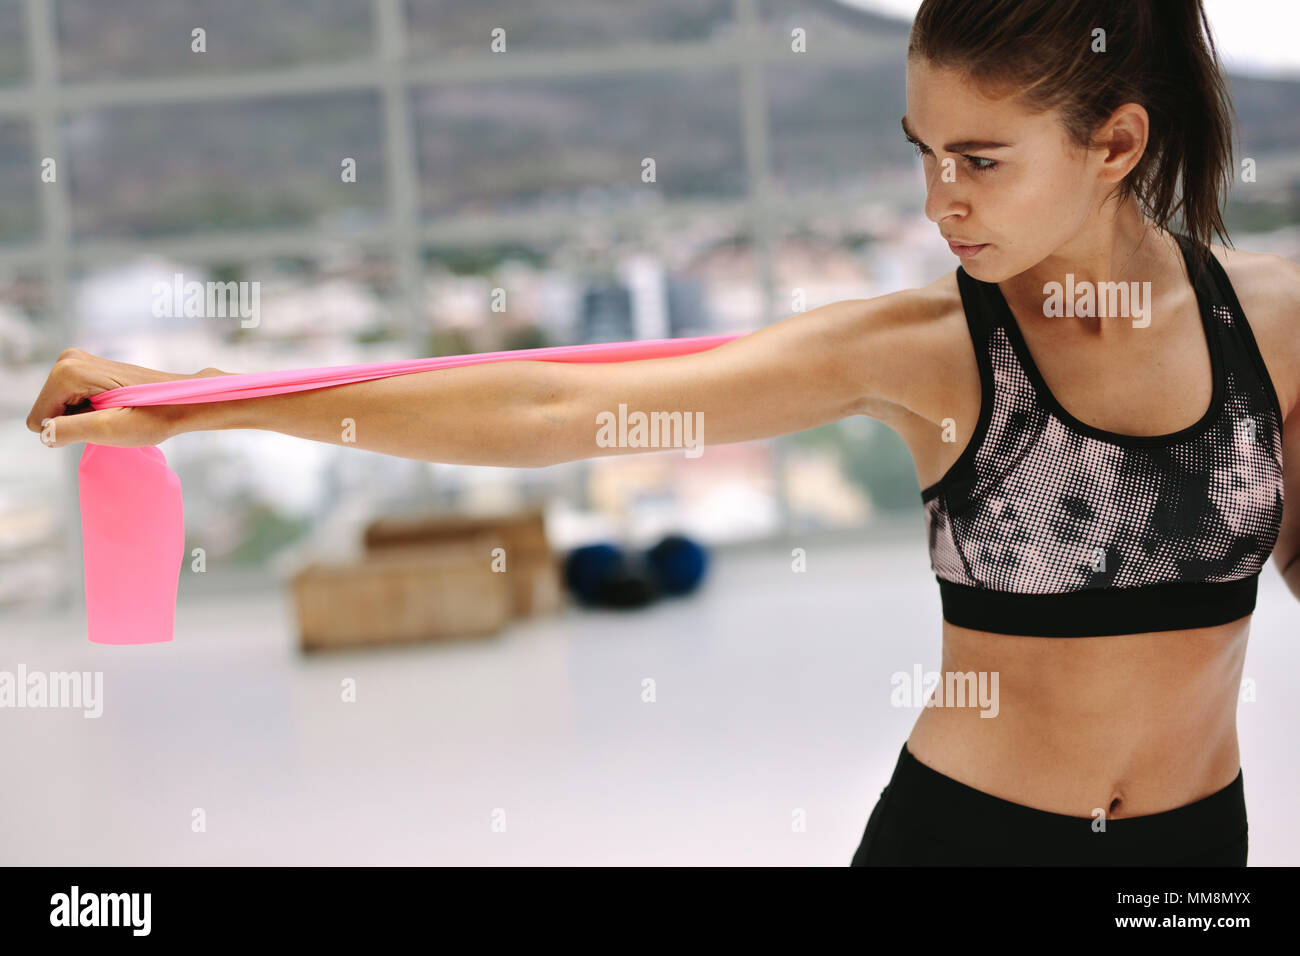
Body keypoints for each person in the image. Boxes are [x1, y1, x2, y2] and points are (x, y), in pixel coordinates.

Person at [26, 0, 1300, 865]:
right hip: (970, 838)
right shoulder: (921, 346)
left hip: (1193, 856)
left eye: (979, 159)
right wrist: (200, 397)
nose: (937, 201)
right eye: (921, 152)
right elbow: (555, 408)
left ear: (1114, 141)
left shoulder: (1276, 328)